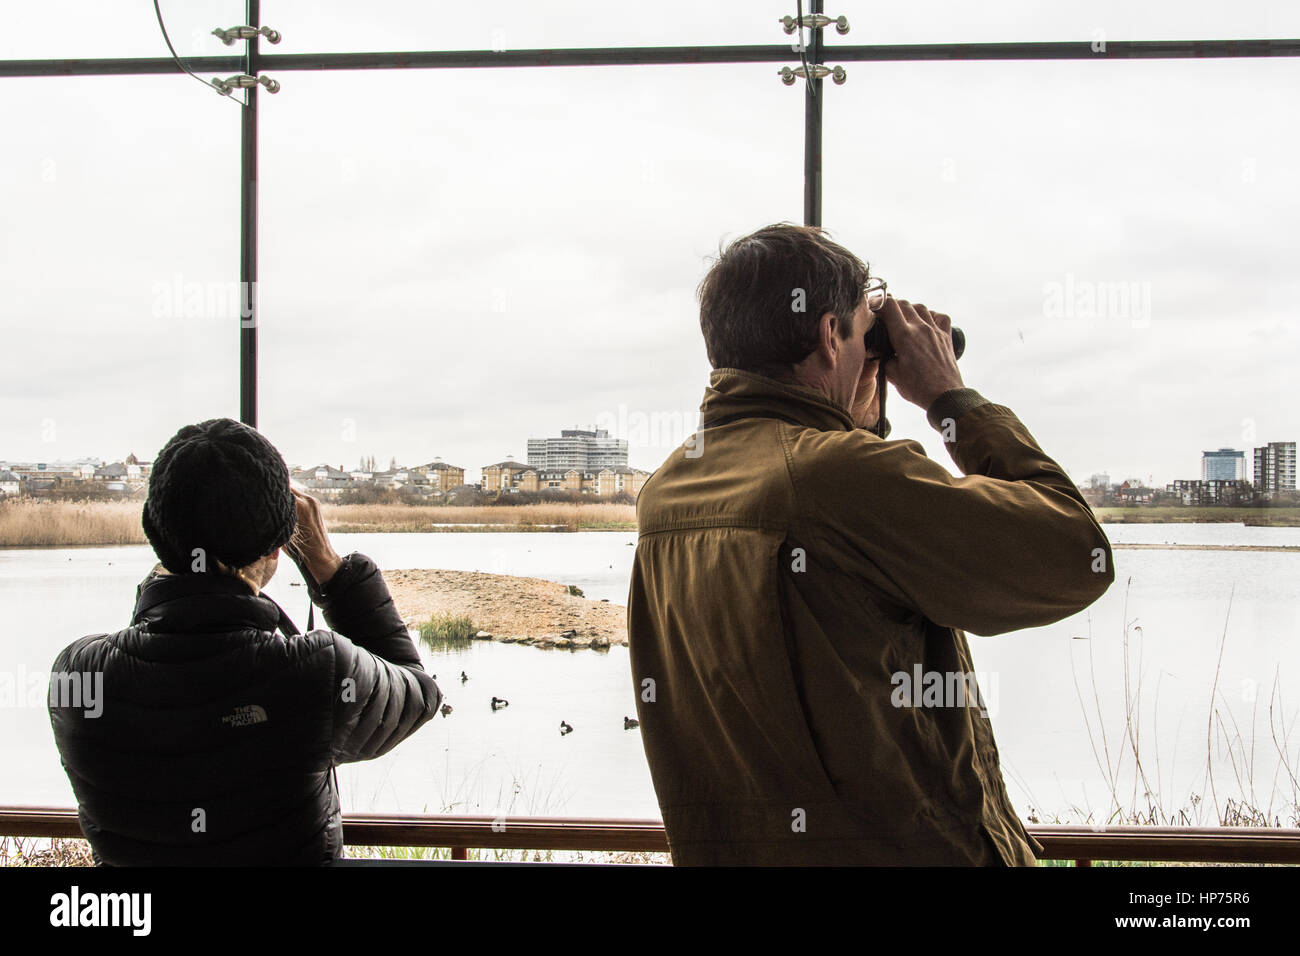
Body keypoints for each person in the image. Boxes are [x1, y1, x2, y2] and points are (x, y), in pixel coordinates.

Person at [627, 223, 1115, 866]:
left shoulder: (667, 492)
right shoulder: (833, 479)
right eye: (864, 332)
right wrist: (949, 397)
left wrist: (849, 411)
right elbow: (1078, 555)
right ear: (830, 337)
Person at [48, 418, 441, 865]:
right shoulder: (315, 673)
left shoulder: (77, 676)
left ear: (156, 535)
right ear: (279, 543)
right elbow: (418, 692)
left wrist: (178, 557)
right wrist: (330, 569)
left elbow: (157, 664)